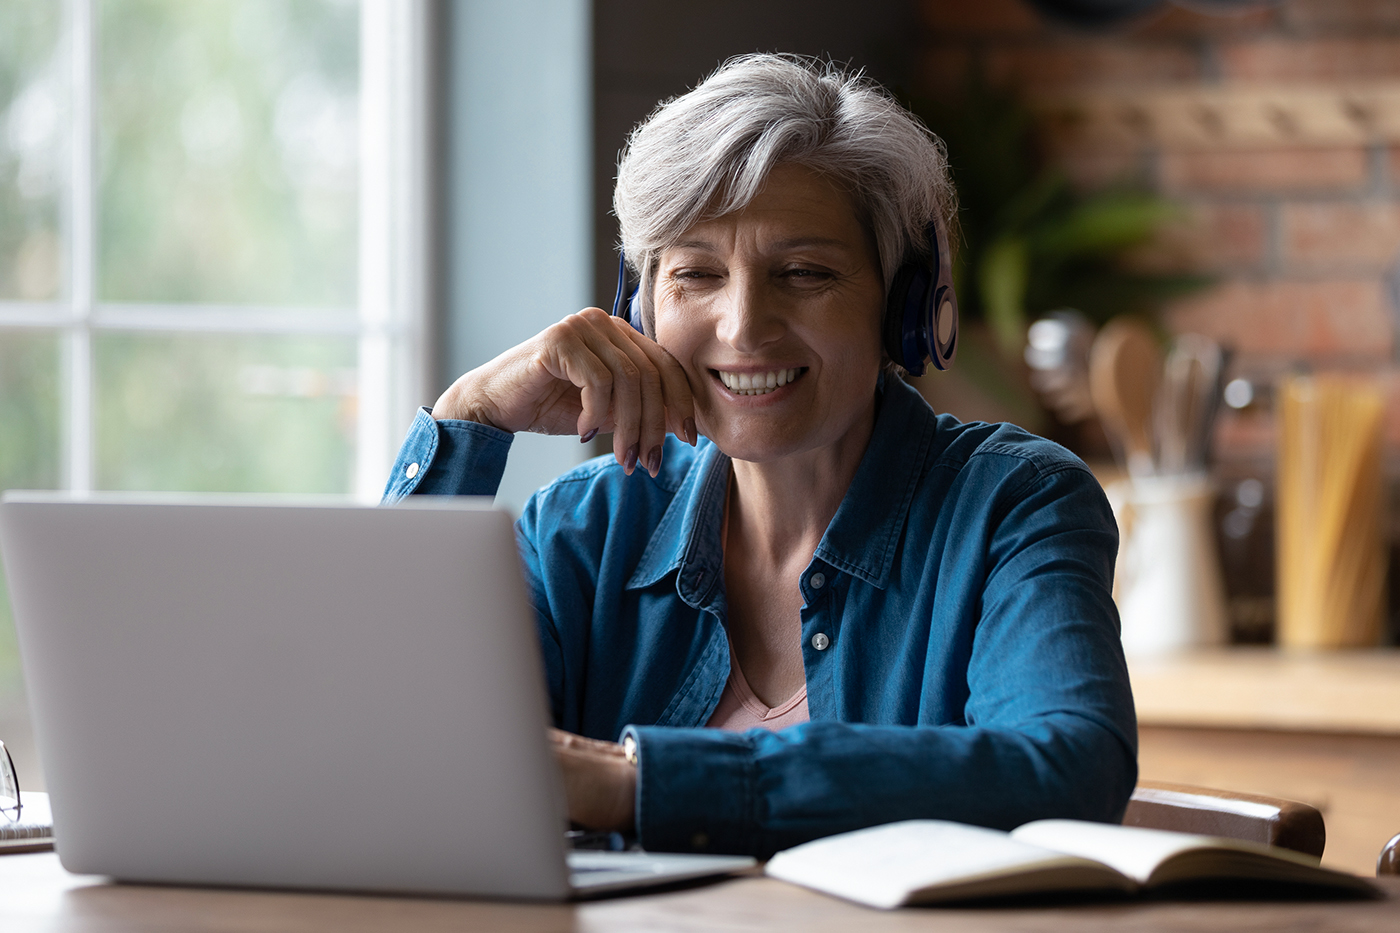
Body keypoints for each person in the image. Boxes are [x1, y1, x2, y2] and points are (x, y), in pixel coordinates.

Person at [383, 54, 1136, 858]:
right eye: (696, 274)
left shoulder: (1015, 502)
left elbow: (1067, 764)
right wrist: (470, 420)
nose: (743, 326)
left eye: (804, 273)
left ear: (904, 307)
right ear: (639, 308)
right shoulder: (582, 530)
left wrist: (643, 784)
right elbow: (381, 747)